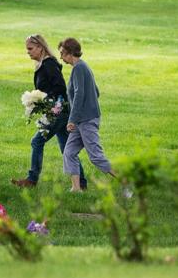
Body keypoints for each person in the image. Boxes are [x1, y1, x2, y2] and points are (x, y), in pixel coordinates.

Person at [12, 35, 86, 189]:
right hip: (58, 110)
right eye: (27, 49)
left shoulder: (49, 64)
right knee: (67, 149)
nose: (28, 52)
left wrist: (48, 102)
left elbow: (60, 88)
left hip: (59, 111)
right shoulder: (42, 64)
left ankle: (32, 180)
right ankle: (82, 183)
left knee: (37, 141)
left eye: (30, 49)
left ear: (40, 47)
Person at [59, 37, 116, 191]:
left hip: (86, 120)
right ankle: (76, 188)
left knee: (96, 157)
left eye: (62, 54)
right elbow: (95, 91)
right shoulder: (83, 67)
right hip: (81, 120)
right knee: (69, 152)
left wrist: (72, 119)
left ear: (70, 53)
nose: (61, 57)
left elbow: (79, 95)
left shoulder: (78, 68)